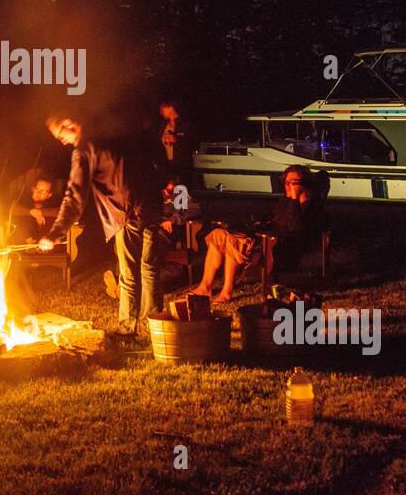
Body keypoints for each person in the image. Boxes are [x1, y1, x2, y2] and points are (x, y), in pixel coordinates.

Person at [38, 114, 164, 337]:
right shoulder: (114, 130)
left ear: (69, 124)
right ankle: (155, 325)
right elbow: (152, 150)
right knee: (150, 268)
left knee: (129, 275)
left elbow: (75, 197)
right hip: (151, 203)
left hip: (127, 211)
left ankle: (128, 329)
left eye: (60, 135)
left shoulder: (85, 150)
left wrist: (56, 232)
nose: (61, 141)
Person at [191, 165, 327, 302]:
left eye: (294, 183)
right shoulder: (286, 201)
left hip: (279, 246)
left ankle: (227, 291)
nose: (288, 186)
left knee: (232, 241)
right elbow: (273, 218)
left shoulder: (308, 205)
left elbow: (295, 229)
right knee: (218, 234)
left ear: (304, 184)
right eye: (286, 182)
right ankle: (205, 286)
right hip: (263, 237)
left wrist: (294, 199)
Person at [157, 101, 196, 187]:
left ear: (170, 108)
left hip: (180, 163)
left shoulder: (185, 124)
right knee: (169, 190)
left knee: (181, 188)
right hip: (166, 162)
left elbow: (191, 142)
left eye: (162, 109)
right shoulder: (163, 125)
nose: (160, 112)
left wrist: (177, 140)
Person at [11, 176, 56, 245]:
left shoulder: (53, 211)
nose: (39, 193)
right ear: (32, 189)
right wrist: (30, 212)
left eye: (44, 191)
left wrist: (41, 213)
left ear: (49, 195)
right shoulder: (21, 206)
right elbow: (10, 209)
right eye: (37, 189)